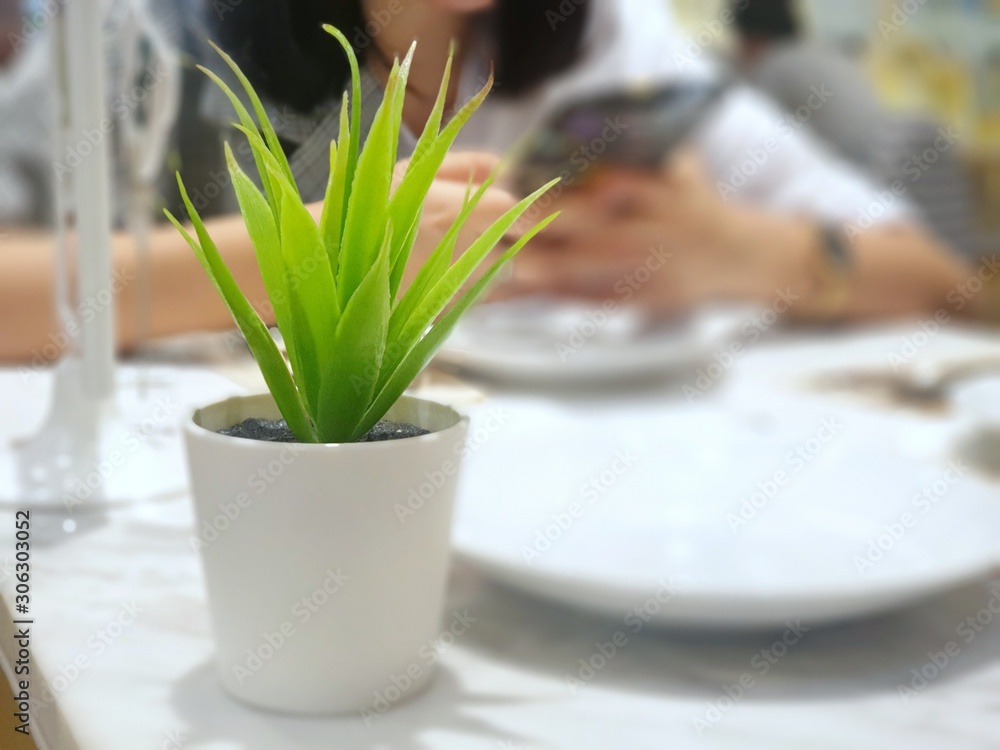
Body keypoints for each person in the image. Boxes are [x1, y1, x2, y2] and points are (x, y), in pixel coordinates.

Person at [0, 0, 974, 363]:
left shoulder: (602, 39)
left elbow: (936, 279)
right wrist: (303, 260)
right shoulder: (151, 33)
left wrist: (752, 251)